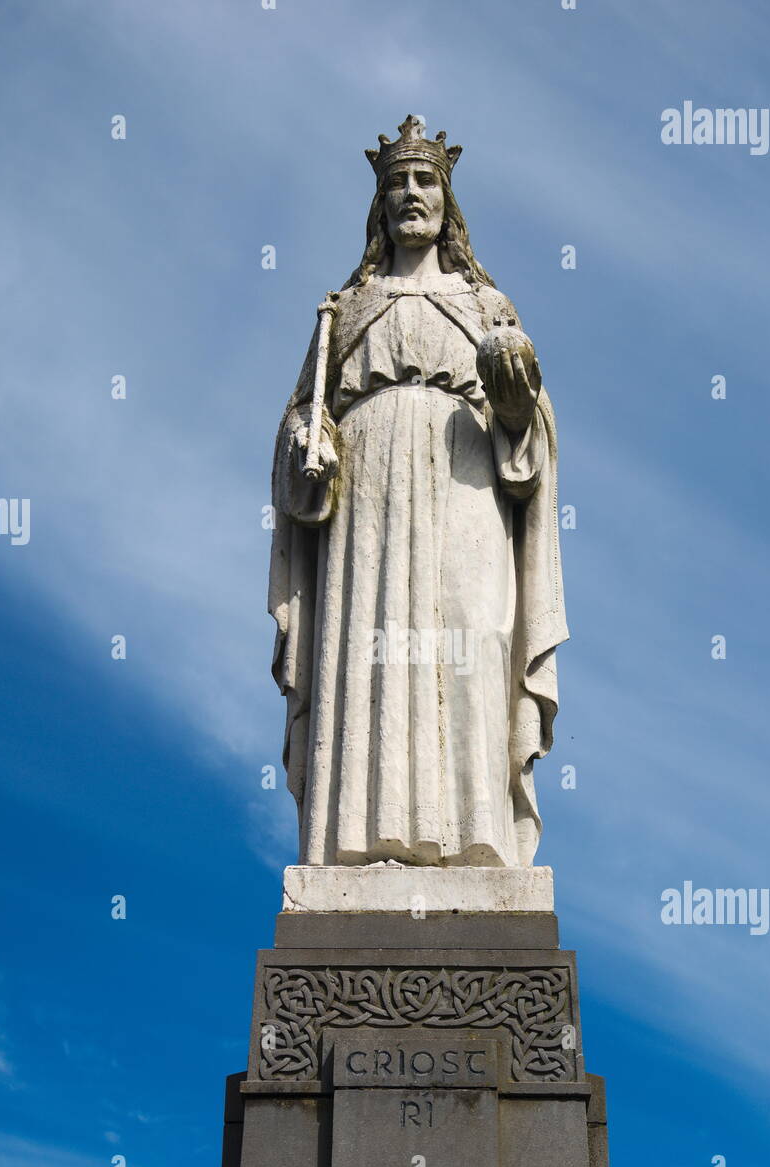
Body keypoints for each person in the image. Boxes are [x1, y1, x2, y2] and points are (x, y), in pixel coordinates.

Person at [268, 116, 567, 867]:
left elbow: (530, 441)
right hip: (366, 500)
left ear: (445, 198)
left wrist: (511, 400)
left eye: (423, 179)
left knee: (473, 639)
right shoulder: (345, 309)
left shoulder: (484, 308)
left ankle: (476, 839)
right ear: (379, 204)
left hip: (464, 489)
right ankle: (354, 842)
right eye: (396, 182)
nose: (409, 193)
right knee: (365, 654)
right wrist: (309, 451)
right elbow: (303, 420)